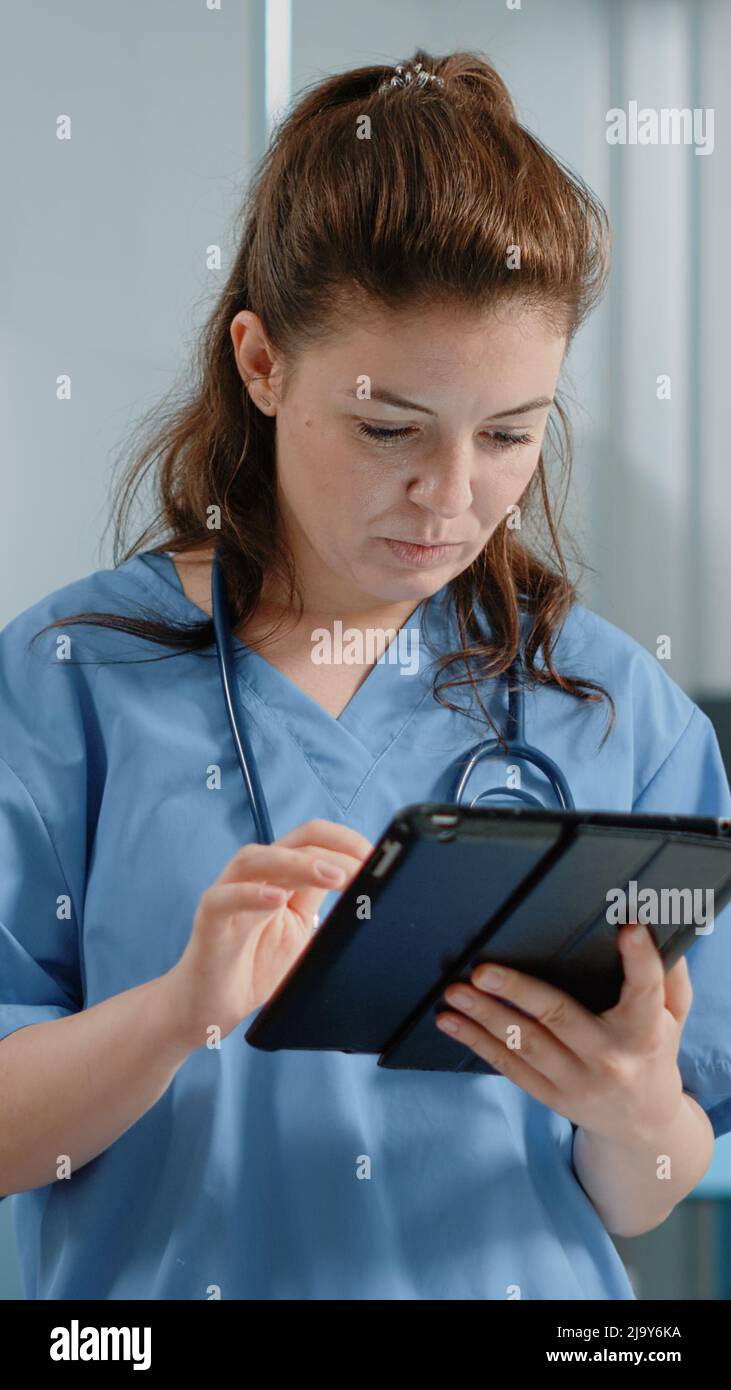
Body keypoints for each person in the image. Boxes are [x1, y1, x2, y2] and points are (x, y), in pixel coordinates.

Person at [1, 48, 730, 1303]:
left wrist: (626, 1105)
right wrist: (177, 1010)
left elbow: (651, 1178)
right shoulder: (71, 681)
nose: (452, 499)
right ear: (262, 362)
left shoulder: (614, 710)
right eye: (389, 428)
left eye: (508, 434)